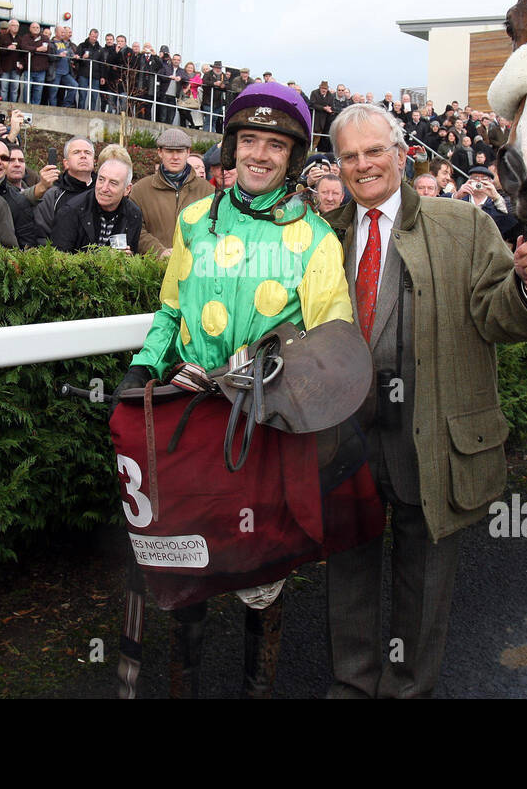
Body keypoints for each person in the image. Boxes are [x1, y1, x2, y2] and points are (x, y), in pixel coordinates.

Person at [116, 81, 354, 698]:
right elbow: (171, 311)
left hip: (266, 419)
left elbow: (330, 343)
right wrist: (144, 367)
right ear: (232, 145)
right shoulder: (194, 221)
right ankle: (182, 686)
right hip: (192, 415)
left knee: (260, 579)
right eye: (250, 139)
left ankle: (257, 690)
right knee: (188, 565)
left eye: (276, 144)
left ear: (292, 157)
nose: (260, 154)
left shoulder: (317, 238)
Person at [323, 102, 527, 699]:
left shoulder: (464, 226)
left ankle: (408, 692)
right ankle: (351, 689)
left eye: (374, 150)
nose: (363, 164)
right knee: (347, 575)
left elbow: (499, 316)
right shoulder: (320, 234)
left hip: (430, 435)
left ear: (401, 154)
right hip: (346, 438)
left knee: (424, 583)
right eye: (350, 155)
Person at [127, 128, 214, 256]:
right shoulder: (140, 190)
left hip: (196, 268)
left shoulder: (207, 190)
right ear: (160, 152)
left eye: (180, 151)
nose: (175, 157)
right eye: (169, 151)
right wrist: (159, 252)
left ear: (188, 152)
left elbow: (215, 229)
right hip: (153, 270)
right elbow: (136, 229)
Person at [50, 157, 142, 254]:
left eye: (113, 183)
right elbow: (59, 260)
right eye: (101, 180)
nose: (104, 188)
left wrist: (126, 258)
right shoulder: (71, 211)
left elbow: (132, 258)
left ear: (127, 189)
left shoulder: (133, 214)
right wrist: (105, 257)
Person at [29, 136, 95, 245]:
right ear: (66, 163)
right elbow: (41, 236)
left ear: (94, 160)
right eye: (77, 152)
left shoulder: (103, 193)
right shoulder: (53, 195)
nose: (83, 156)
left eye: (87, 153)